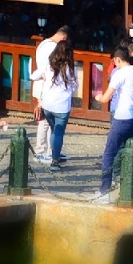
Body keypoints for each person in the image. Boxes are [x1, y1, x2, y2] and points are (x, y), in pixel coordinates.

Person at [94, 47, 133, 197]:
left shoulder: (119, 74)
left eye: (115, 62)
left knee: (109, 154)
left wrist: (98, 97)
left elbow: (106, 98)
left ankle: (104, 191)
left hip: (121, 119)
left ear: (118, 59)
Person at [34, 35, 76, 168]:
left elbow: (33, 75)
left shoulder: (49, 65)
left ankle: (54, 155)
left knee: (53, 131)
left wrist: (44, 77)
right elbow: (75, 87)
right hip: (62, 106)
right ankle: (55, 160)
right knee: (58, 133)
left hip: (47, 104)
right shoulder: (69, 68)